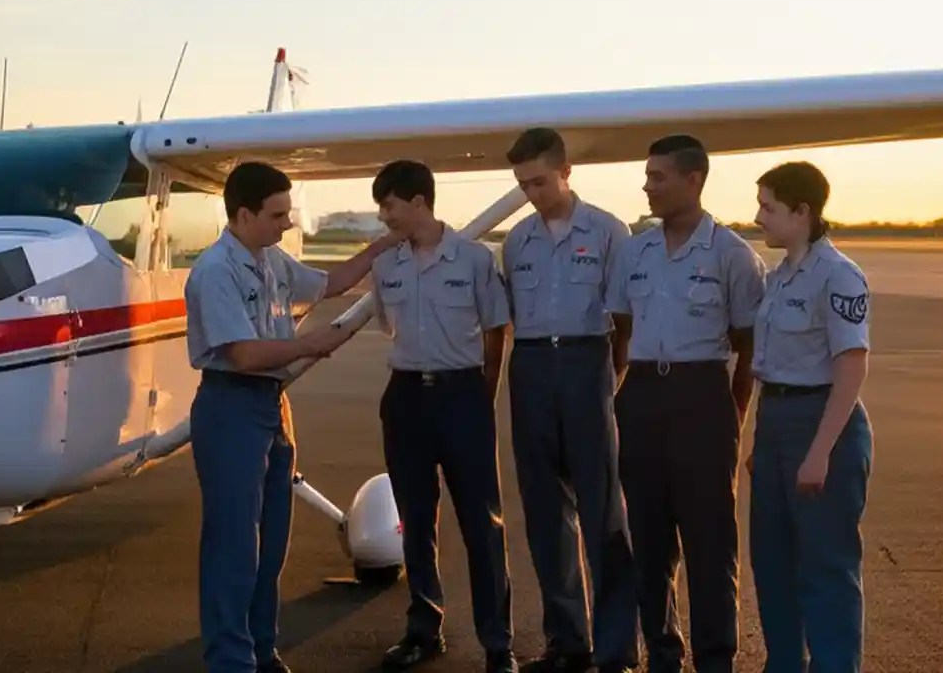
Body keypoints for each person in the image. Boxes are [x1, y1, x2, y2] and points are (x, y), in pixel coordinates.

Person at [184, 161, 403, 673]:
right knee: (234, 545)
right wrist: (311, 343)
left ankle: (261, 650)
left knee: (271, 542)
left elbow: (330, 283)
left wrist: (379, 248)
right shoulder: (216, 271)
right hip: (231, 404)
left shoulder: (272, 260)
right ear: (243, 214)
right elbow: (241, 354)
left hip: (271, 405)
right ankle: (231, 660)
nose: (287, 224)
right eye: (278, 214)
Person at [606, 135, 766, 673]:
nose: (648, 187)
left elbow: (748, 347)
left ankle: (716, 658)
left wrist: (733, 414)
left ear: (693, 180)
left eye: (659, 177)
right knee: (648, 539)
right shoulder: (635, 252)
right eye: (647, 176)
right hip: (645, 394)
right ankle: (663, 653)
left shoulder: (731, 255)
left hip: (703, 397)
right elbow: (622, 330)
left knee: (710, 538)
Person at [368, 160, 517, 673]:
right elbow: (389, 325)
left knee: (483, 524)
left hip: (462, 397)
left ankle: (498, 644)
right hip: (406, 396)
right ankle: (423, 628)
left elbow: (498, 328)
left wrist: (484, 392)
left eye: (388, 205)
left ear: (418, 202)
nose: (383, 215)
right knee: (416, 522)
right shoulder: (386, 265)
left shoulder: (474, 259)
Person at [499, 127, 639, 673]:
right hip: (532, 363)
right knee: (543, 510)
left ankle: (616, 649)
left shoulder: (608, 231)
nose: (532, 193)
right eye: (522, 185)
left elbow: (625, 318)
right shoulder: (517, 241)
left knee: (603, 510)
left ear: (565, 171)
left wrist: (611, 376)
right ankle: (567, 641)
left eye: (539, 181)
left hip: (588, 361)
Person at [747, 161, 874, 673]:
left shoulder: (839, 276)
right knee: (773, 564)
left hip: (823, 423)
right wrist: (763, 439)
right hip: (778, 421)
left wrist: (819, 453)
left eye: (767, 206)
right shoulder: (778, 278)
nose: (758, 217)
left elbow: (852, 367)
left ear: (802, 212)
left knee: (825, 566)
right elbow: (771, 364)